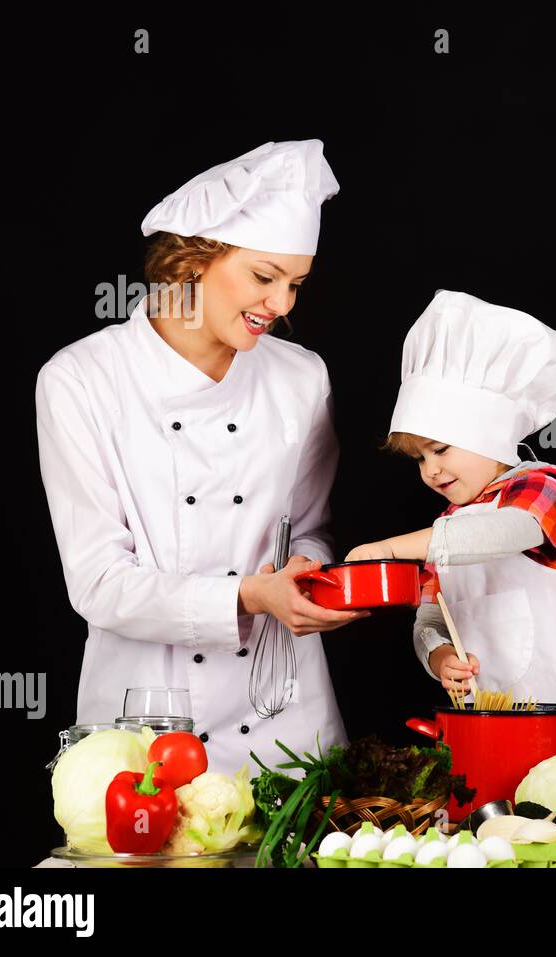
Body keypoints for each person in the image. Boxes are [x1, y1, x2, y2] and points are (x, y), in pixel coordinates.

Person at [35, 140, 363, 775]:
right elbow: (98, 583)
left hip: (285, 724)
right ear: (190, 261)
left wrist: (306, 576)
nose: (283, 305)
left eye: (296, 284)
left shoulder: (302, 377)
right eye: (264, 277)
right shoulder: (81, 378)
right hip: (144, 723)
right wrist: (248, 596)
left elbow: (312, 531)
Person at [345, 290, 556, 791]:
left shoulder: (544, 485)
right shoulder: (448, 526)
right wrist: (437, 656)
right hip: (486, 729)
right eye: (419, 460)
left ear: (489, 431)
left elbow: (502, 533)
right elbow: (430, 616)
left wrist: (390, 549)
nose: (430, 471)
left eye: (440, 450)